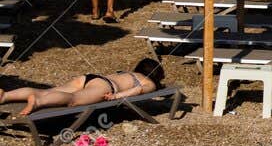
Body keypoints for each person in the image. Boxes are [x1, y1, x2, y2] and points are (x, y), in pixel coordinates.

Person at [0, 59, 163, 116]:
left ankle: (5, 96)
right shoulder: (149, 82)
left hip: (91, 78)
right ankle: (38, 102)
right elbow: (139, 90)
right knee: (73, 100)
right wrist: (116, 97)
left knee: (50, 91)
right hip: (106, 86)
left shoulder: (128, 72)